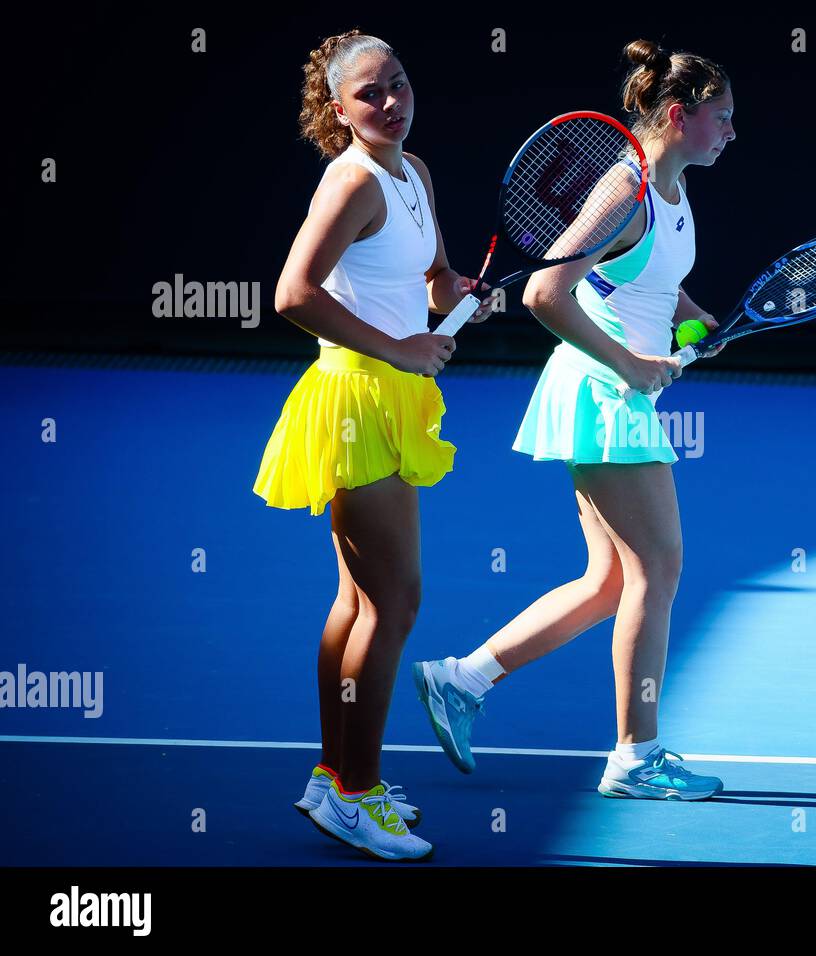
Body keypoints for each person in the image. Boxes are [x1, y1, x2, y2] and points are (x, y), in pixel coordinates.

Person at [413, 38, 735, 800]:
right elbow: (545, 293)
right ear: (680, 115)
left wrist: (693, 322)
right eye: (722, 118)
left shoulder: (674, 194)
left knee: (610, 580)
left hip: (613, 391)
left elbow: (644, 285)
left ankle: (463, 678)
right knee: (658, 570)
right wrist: (632, 366)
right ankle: (635, 756)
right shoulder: (624, 190)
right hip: (603, 394)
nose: (731, 132)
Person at [254, 30, 491, 860]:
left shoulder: (413, 171)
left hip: (394, 394)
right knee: (395, 603)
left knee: (359, 602)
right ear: (337, 110)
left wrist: (455, 295)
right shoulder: (353, 179)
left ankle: (334, 776)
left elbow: (430, 279)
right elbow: (292, 293)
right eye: (368, 95)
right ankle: (355, 793)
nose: (390, 103)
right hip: (356, 399)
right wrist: (401, 348)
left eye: (397, 84)